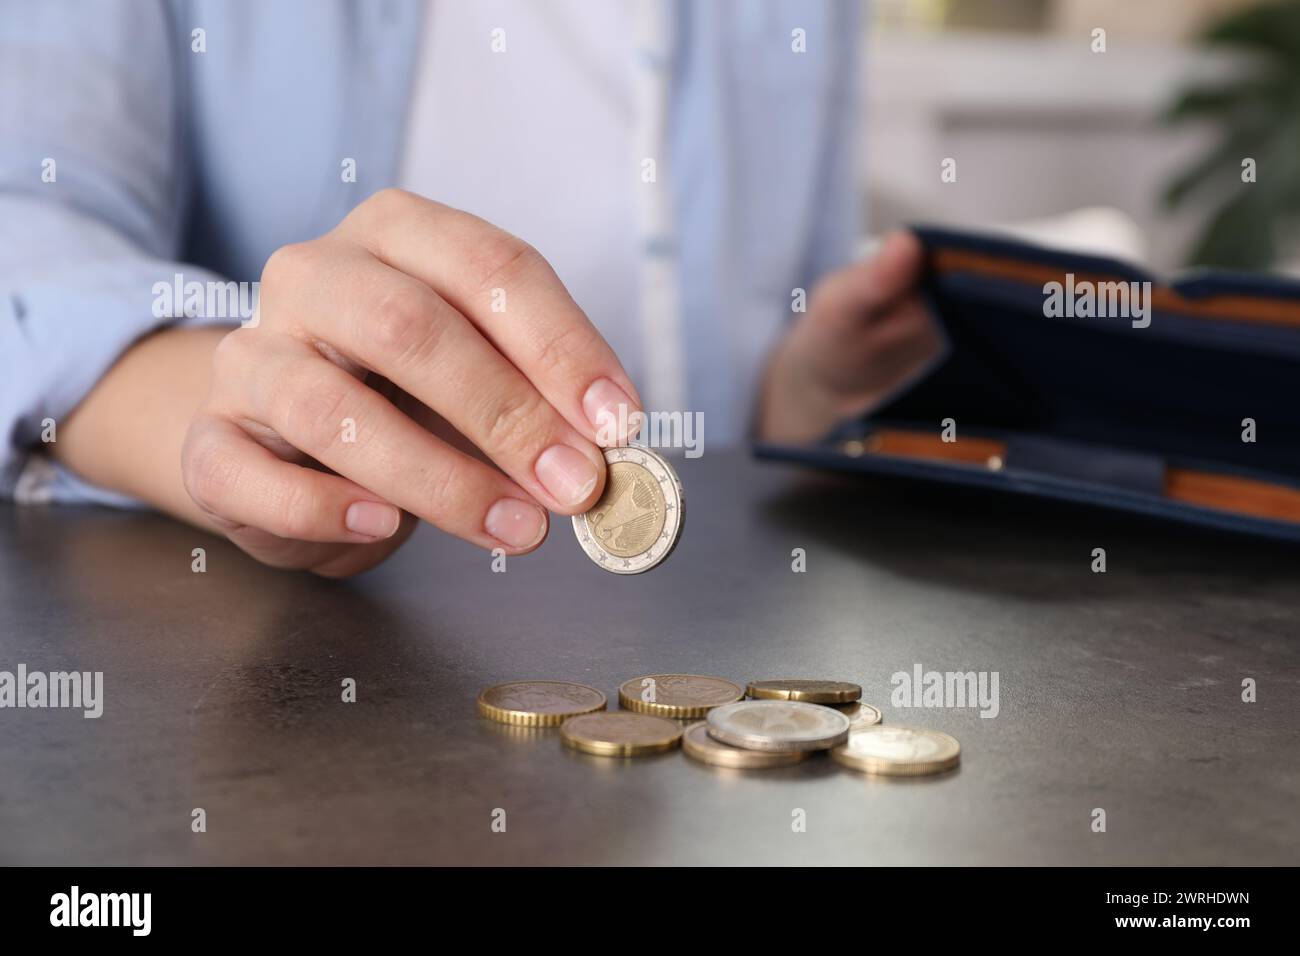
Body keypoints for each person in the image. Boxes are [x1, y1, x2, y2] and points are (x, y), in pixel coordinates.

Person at [0, 0, 938, 576]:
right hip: (347, 658)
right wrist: (247, 411)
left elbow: (758, 359)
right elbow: (32, 222)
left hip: (724, 643)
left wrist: (806, 391)